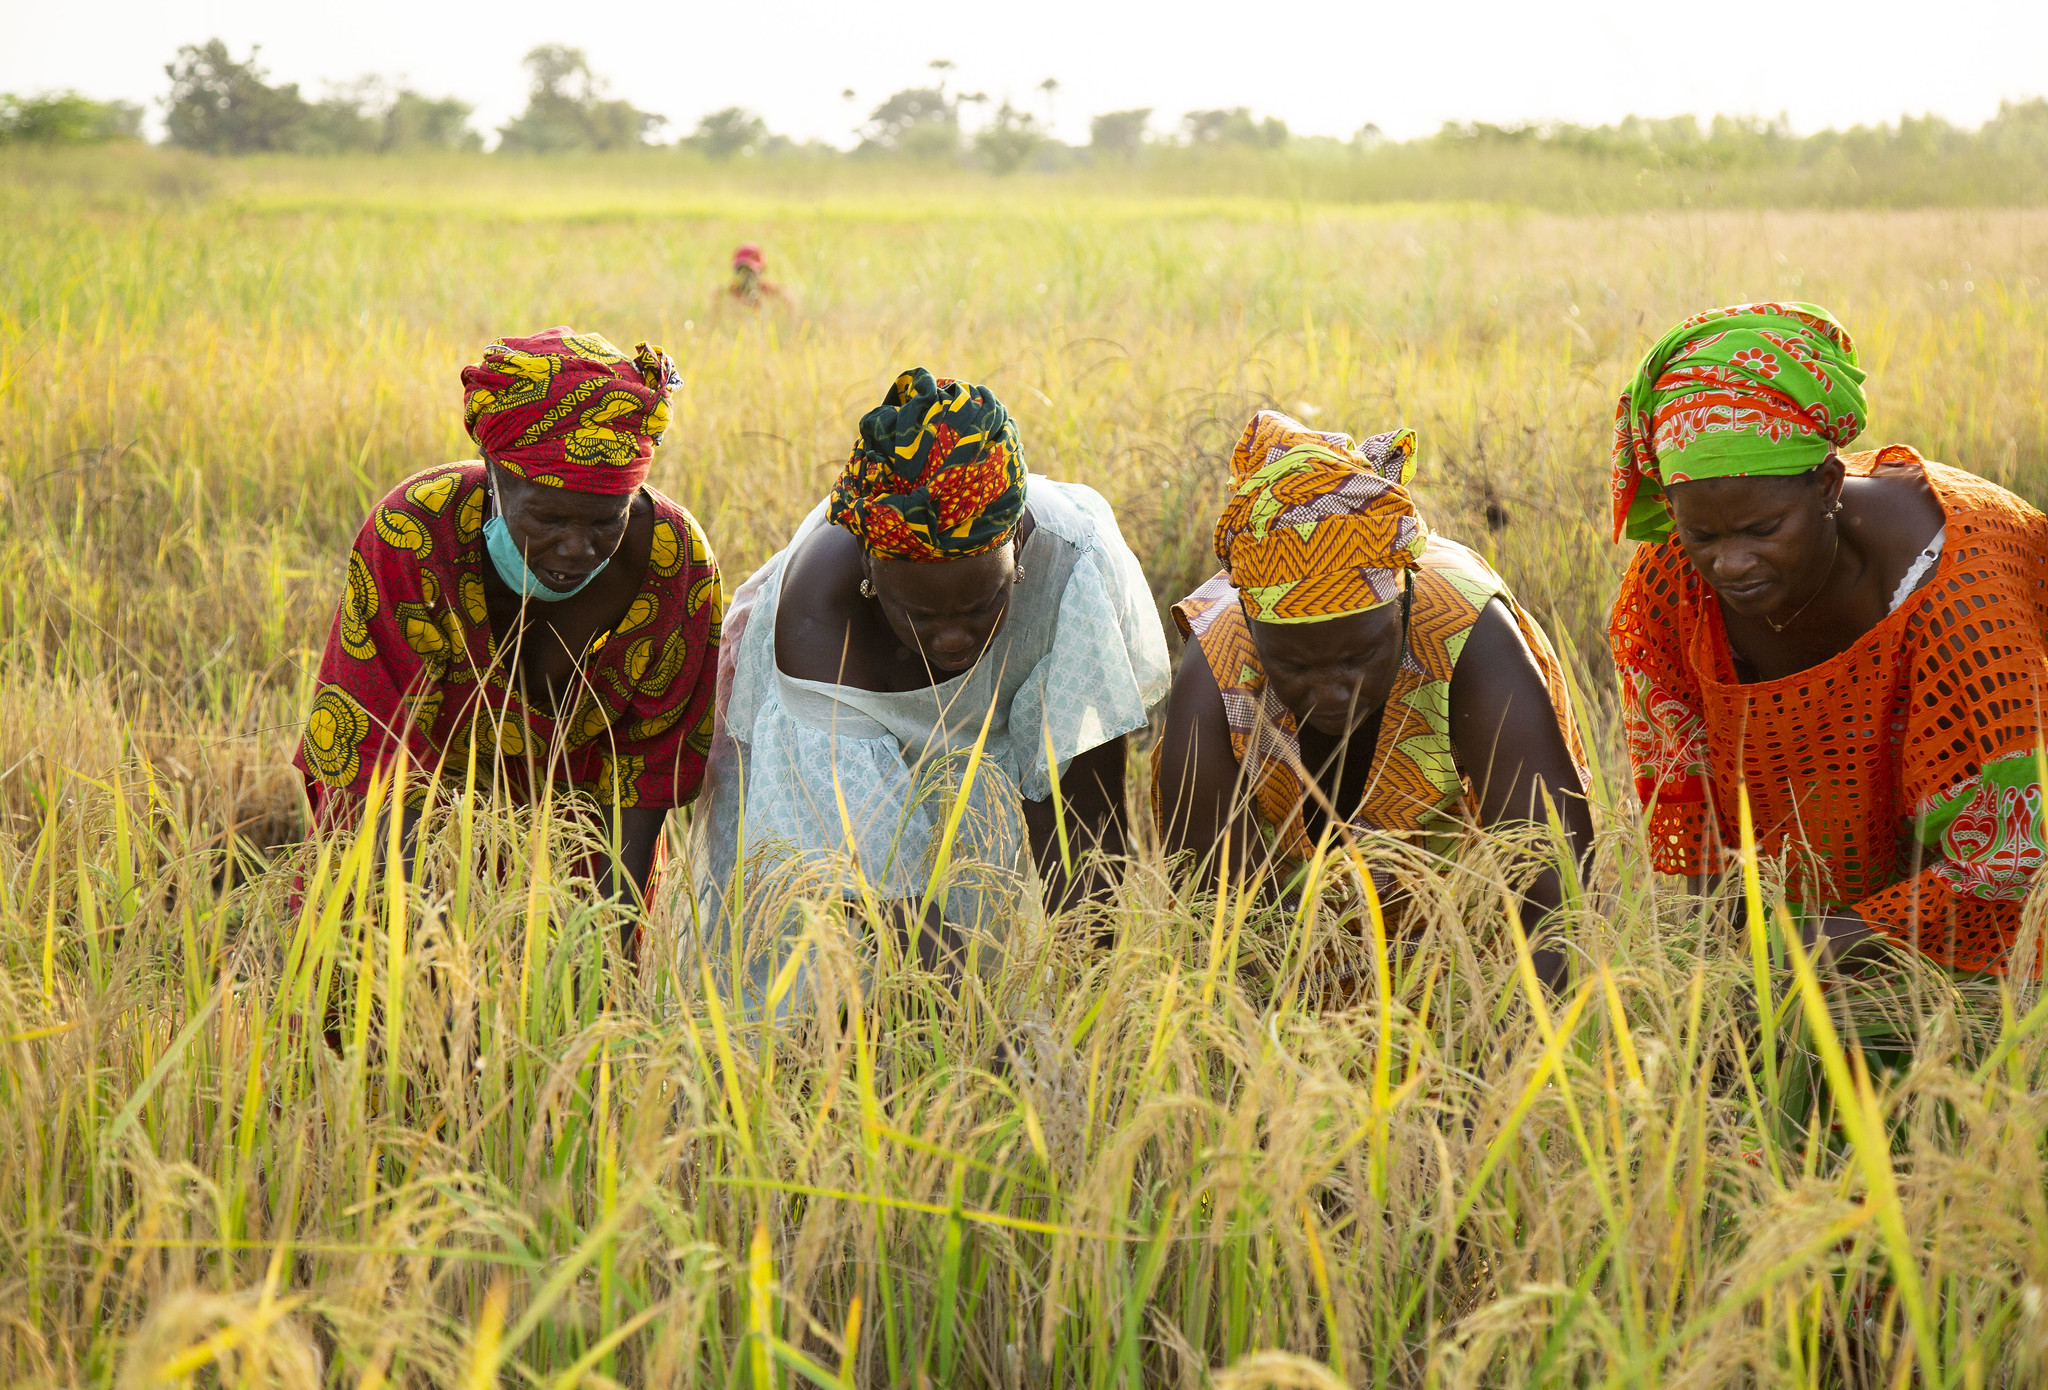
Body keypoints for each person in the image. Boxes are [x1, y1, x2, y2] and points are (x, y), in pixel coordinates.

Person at [700, 367, 1169, 1006]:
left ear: (1018, 551)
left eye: (982, 605)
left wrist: (1094, 1002)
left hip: (994, 702)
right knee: (821, 986)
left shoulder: (1071, 567)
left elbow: (1083, 816)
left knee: (998, 923)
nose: (952, 640)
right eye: (920, 616)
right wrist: (982, 1030)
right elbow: (873, 896)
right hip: (837, 735)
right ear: (870, 568)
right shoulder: (816, 623)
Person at [1608, 301, 2048, 975]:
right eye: (1704, 535)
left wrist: (1832, 939)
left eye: (1762, 531)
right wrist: (1724, 962)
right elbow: (1685, 775)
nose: (1730, 563)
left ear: (1827, 484)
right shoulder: (1672, 574)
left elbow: (2013, 855)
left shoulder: (1963, 598)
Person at [294, 326, 723, 940]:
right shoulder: (414, 537)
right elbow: (374, 755)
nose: (576, 549)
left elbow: (647, 772)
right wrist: (421, 945)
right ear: (493, 472)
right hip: (406, 842)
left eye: (607, 519)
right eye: (546, 518)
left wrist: (599, 943)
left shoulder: (675, 563)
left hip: (578, 854)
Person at [1155, 410, 1593, 982]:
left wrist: (1521, 1046)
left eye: (1357, 657)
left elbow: (1554, 883)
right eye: (1292, 664)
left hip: (1467, 961)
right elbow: (1209, 919)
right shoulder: (1220, 660)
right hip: (1294, 976)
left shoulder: (1463, 631)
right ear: (1253, 631)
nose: (1331, 690)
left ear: (1401, 609)